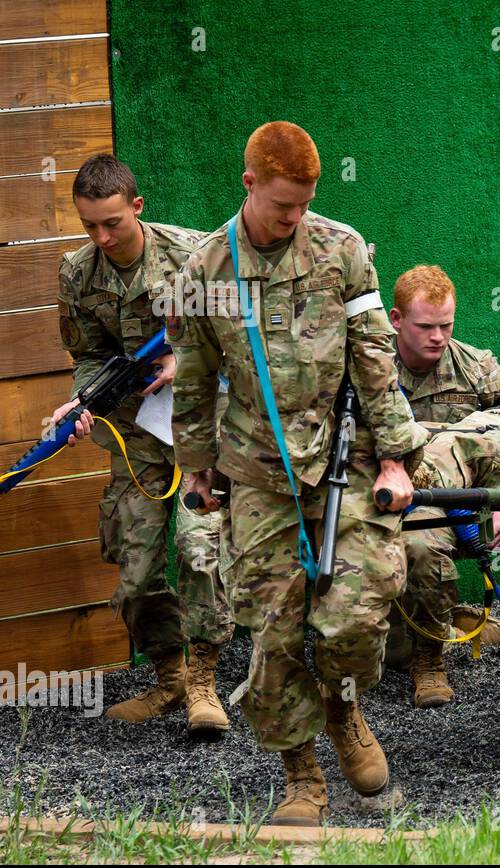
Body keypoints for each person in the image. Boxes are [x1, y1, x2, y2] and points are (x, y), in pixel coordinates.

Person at [168, 121, 426, 827]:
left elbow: (376, 356)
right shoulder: (205, 272)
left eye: (305, 203)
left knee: (356, 610)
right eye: (283, 204)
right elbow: (191, 382)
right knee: (273, 632)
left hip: (347, 456)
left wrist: (399, 455)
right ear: (250, 184)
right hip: (255, 469)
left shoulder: (343, 249)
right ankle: (301, 774)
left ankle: (343, 707)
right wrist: (195, 470)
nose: (294, 217)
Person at [51, 154, 231, 735]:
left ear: (137, 207)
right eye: (89, 227)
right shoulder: (78, 275)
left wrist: (186, 358)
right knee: (135, 572)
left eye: (112, 223)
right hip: (137, 438)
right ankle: (170, 678)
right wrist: (81, 404)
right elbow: (87, 359)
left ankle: (205, 684)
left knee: (201, 551)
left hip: (204, 433)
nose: (102, 237)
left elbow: (245, 329)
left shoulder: (195, 256)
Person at [385, 264, 500, 707]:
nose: (438, 337)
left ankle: (430, 661)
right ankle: (416, 630)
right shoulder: (368, 371)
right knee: (379, 652)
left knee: (422, 545)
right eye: (426, 326)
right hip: (379, 501)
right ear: (396, 319)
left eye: (446, 325)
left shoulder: (479, 371)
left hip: (463, 509)